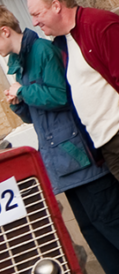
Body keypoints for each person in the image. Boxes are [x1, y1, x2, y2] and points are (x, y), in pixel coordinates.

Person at [0, 6, 119, 274]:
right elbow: (38, 115)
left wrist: (24, 91)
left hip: (79, 156)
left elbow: (59, 98)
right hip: (64, 163)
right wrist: (20, 105)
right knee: (92, 229)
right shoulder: (23, 60)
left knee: (109, 221)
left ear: (5, 32)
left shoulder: (42, 51)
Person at [28, 0, 119, 181]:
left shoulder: (99, 25)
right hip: (105, 144)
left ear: (56, 6)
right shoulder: (63, 43)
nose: (34, 23)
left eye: (37, 14)